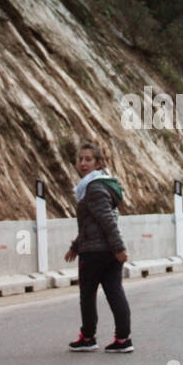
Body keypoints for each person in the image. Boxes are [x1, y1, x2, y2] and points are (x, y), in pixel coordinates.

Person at [64, 142, 133, 353]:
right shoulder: (99, 185)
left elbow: (106, 221)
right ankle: (123, 339)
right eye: (80, 159)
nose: (83, 163)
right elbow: (90, 225)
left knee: (88, 296)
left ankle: (88, 337)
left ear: (98, 163)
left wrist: (119, 248)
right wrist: (76, 246)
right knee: (114, 292)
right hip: (102, 251)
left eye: (88, 159)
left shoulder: (94, 188)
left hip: (96, 253)